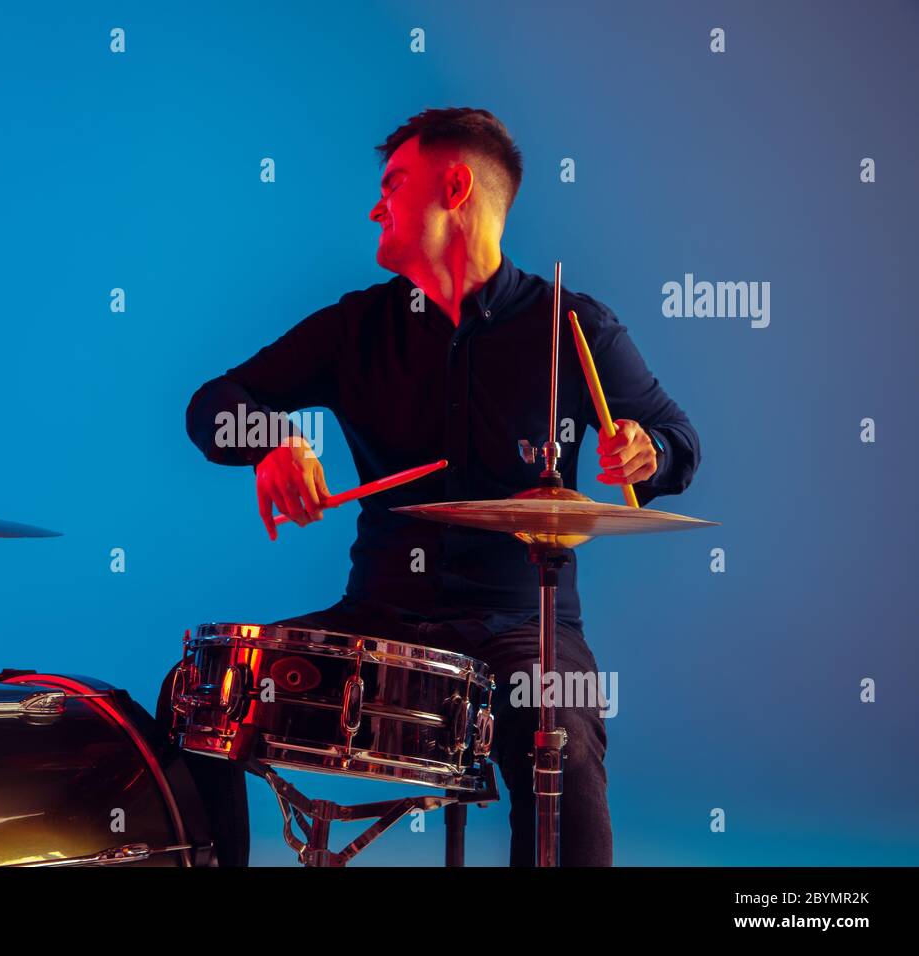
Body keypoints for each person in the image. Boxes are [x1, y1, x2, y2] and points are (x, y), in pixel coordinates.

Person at [161, 106, 701, 867]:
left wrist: (647, 450)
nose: (375, 206)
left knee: (564, 735)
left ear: (453, 186)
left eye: (393, 184)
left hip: (522, 630)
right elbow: (210, 405)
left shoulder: (575, 327)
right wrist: (270, 441)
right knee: (198, 690)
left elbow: (680, 441)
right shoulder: (355, 328)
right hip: (378, 617)